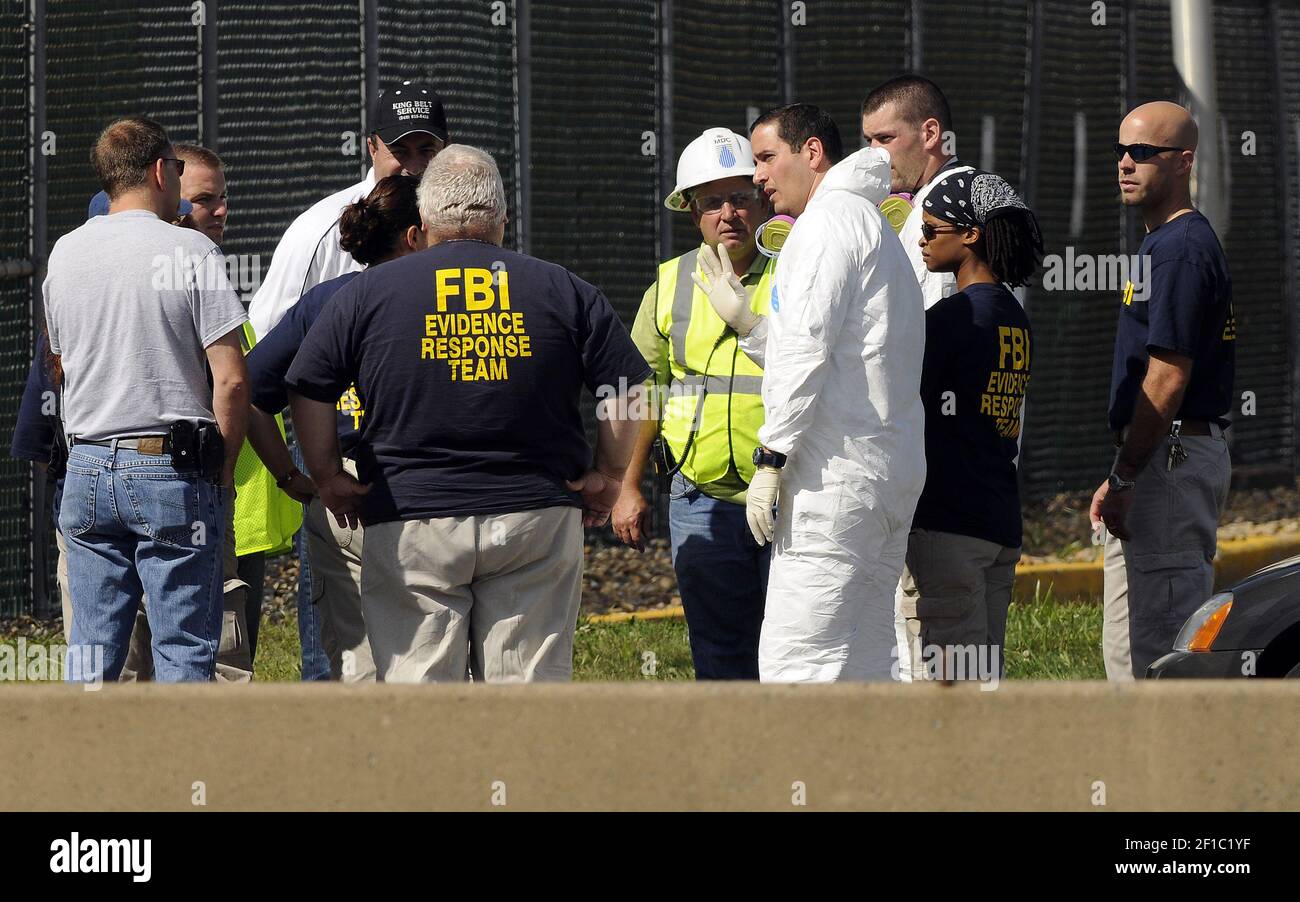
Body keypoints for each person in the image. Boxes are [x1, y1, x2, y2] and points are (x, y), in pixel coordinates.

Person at [285, 145, 648, 683]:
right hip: (534, 517)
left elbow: (307, 385)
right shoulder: (565, 288)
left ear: (425, 221)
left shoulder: (366, 294)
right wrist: (611, 474)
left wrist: (328, 475)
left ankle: (438, 770)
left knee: (419, 696)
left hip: (412, 517)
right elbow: (630, 385)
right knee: (527, 696)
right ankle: (512, 771)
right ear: (503, 218)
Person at [709, 103, 925, 681]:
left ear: (811, 153)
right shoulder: (872, 224)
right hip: (883, 472)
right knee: (871, 654)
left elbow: (807, 348)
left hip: (834, 480)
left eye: (765, 158)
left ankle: (803, 773)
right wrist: (753, 328)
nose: (757, 176)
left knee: (796, 661)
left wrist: (772, 456)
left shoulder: (825, 224)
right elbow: (848, 353)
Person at [247, 79, 447, 680]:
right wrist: (311, 468)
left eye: (427, 150)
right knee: (340, 659)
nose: (414, 164)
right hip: (349, 472)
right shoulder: (319, 231)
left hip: (430, 470)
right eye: (402, 150)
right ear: (372, 147)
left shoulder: (457, 224)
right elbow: (268, 345)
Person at [44, 117, 249, 682]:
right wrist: (222, 476)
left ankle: (83, 768)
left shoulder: (64, 253)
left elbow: (58, 362)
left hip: (85, 465)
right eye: (179, 171)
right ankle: (184, 772)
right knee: (184, 646)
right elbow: (230, 380)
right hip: (168, 470)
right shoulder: (190, 251)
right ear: (162, 171)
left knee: (89, 652)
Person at [612, 128, 775, 680]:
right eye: (712, 203)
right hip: (700, 498)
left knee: (792, 652)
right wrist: (628, 486)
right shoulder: (670, 283)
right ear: (692, 212)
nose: (728, 213)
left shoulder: (795, 269)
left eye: (740, 198)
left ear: (760, 200)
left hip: (788, 493)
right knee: (719, 654)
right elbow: (644, 392)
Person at [1091, 101, 1235, 680]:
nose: (1126, 163)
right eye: (1121, 151)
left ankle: (1178, 769)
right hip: (1158, 458)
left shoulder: (1178, 250)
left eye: (1144, 153)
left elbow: (1168, 375)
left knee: (1165, 652)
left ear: (1184, 162)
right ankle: (1135, 767)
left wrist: (1128, 473)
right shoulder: (1164, 244)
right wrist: (1123, 469)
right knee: (1128, 649)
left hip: (1170, 461)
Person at [902, 171, 1043, 679]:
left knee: (948, 691)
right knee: (984, 681)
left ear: (970, 235)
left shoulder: (952, 318)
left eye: (931, 229)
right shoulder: (1012, 314)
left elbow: (899, 403)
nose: (921, 239)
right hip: (997, 519)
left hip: (949, 525)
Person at [861, 75, 973, 310]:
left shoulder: (938, 207)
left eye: (885, 139)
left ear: (930, 133)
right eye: (869, 141)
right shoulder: (970, 189)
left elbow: (929, 320)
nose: (873, 154)